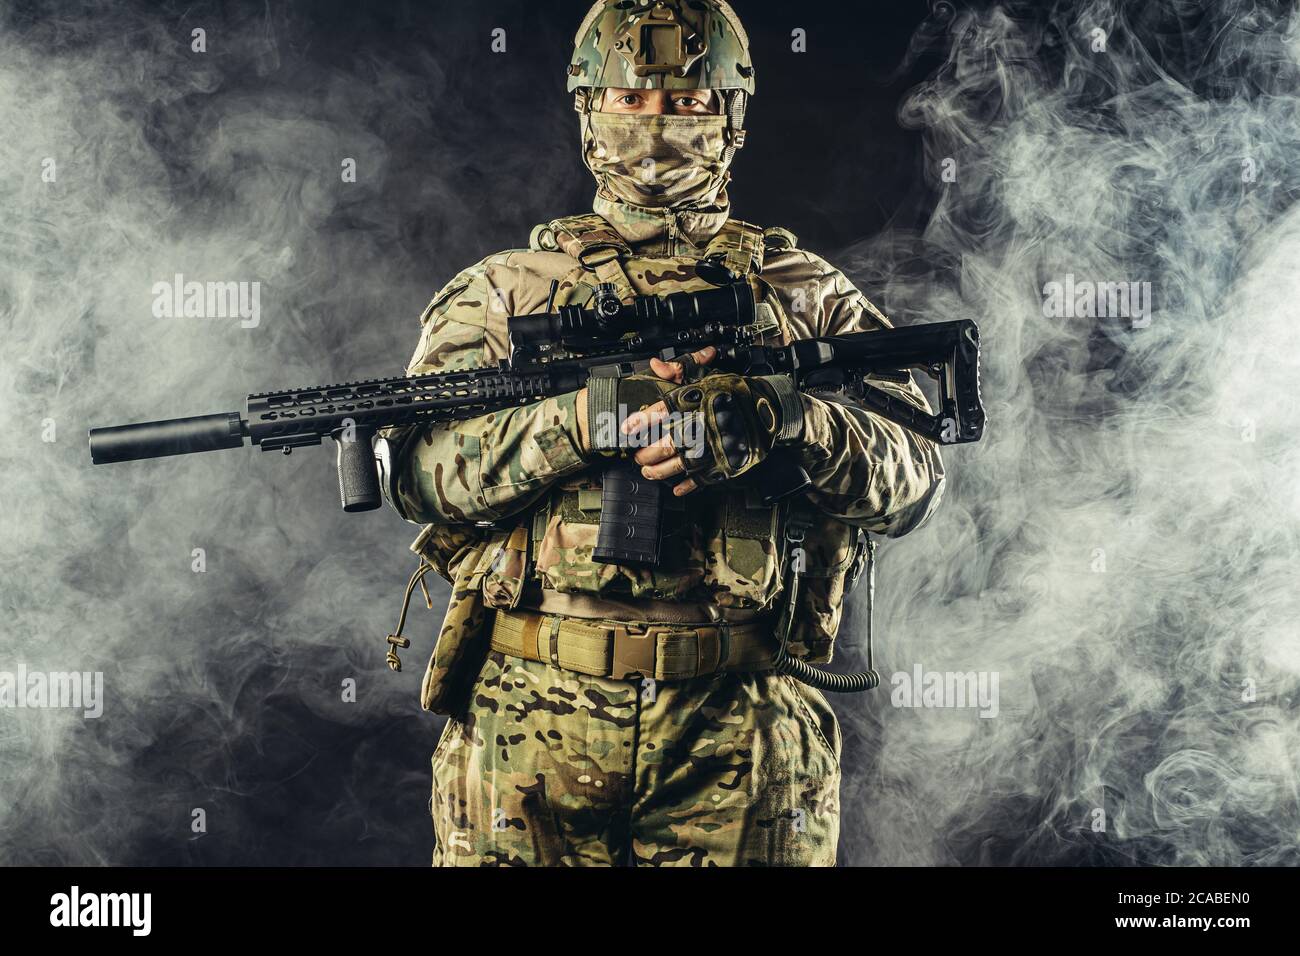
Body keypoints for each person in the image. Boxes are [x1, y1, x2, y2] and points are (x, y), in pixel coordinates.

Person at [378, 0, 945, 866]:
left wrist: (785, 423)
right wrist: (575, 423)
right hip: (529, 728)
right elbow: (420, 476)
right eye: (630, 101)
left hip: (742, 726)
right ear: (586, 110)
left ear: (732, 118)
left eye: (685, 105)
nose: (654, 126)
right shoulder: (503, 293)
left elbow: (914, 479)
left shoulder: (802, 294)